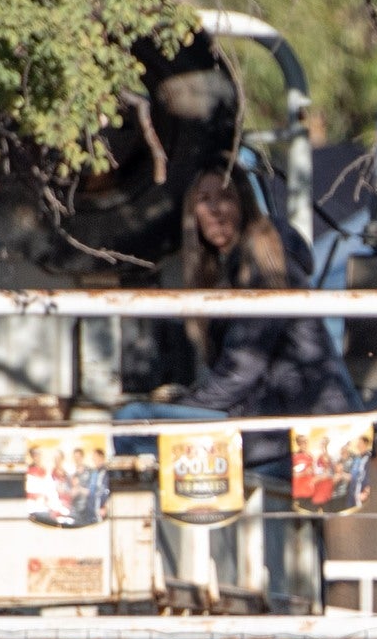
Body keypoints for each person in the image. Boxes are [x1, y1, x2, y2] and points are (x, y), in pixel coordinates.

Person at [117, 165, 360, 472]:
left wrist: (184, 408)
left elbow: (244, 366)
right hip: (274, 422)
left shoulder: (264, 257)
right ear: (194, 214)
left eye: (226, 197)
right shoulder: (230, 270)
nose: (216, 210)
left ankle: (146, 517)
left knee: (132, 423)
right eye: (205, 199)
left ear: (244, 204)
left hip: (298, 429)